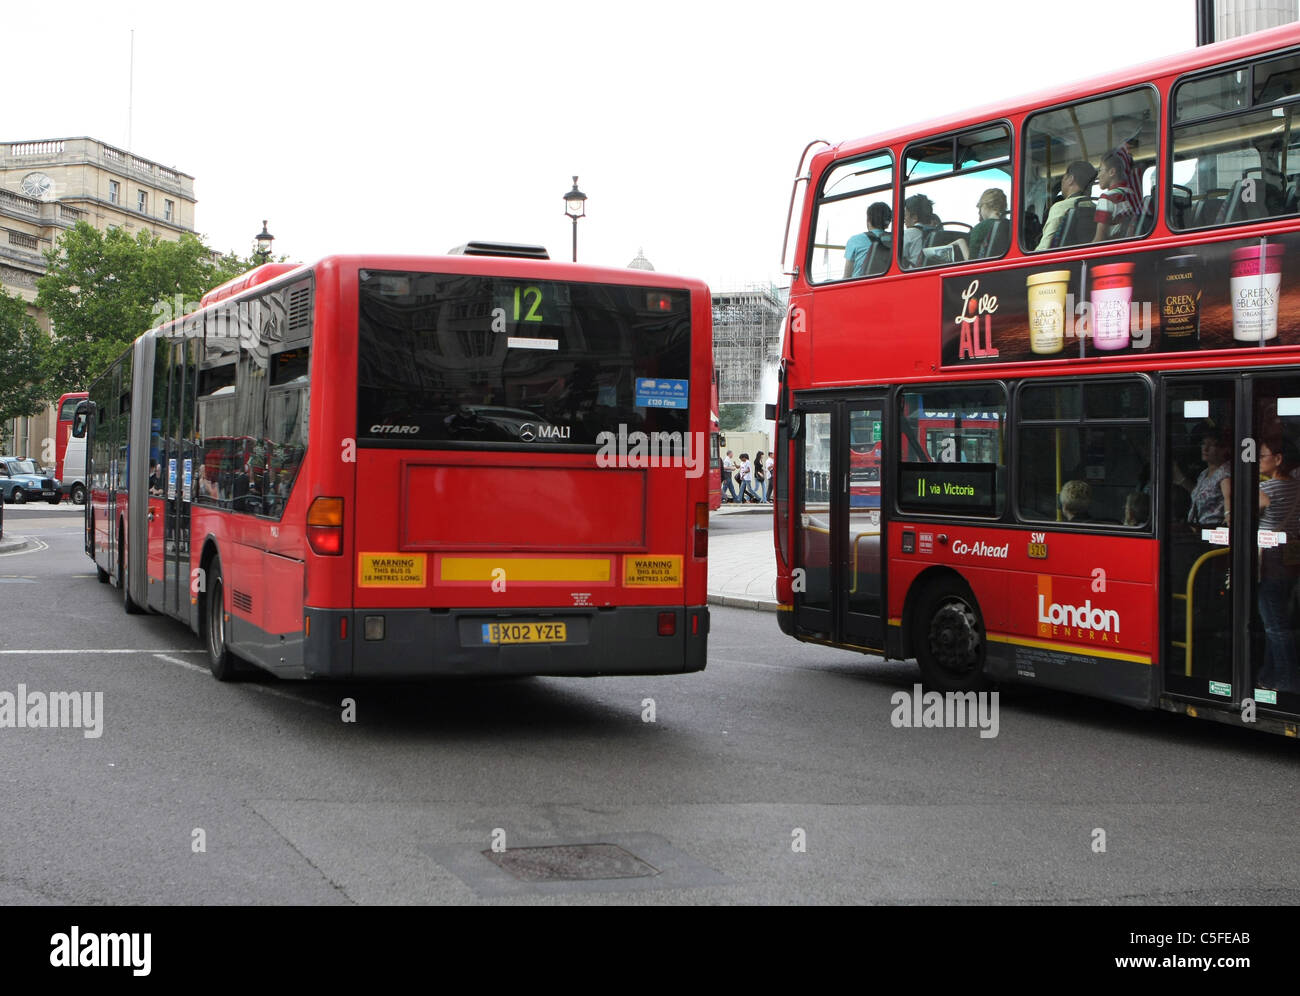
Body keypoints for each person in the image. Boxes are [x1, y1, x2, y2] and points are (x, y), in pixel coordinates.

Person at [1255, 437, 1300, 692]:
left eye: (1262, 455)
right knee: (1277, 619)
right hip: (1290, 558)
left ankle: (1286, 679)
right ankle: (1268, 675)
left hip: (1270, 560)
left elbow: (1241, 515)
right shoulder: (1296, 487)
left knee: (1274, 623)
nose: (1258, 460)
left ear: (1278, 459)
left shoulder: (1268, 490)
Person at [1173, 429, 1232, 527]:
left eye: (1211, 445)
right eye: (1203, 444)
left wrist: (1228, 516)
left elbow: (1228, 498)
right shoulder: (1204, 474)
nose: (1205, 449)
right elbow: (1200, 494)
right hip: (1198, 528)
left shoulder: (1225, 473)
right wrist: (1181, 480)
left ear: (1224, 449)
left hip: (1213, 530)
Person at [1035, 161, 1097, 250]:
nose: (1062, 183)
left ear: (1070, 179)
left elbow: (1044, 247)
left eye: (1064, 178)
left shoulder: (1060, 207)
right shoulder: (1096, 208)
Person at [1093, 150, 1138, 241]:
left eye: (1100, 170)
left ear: (1112, 172)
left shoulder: (1107, 198)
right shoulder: (1131, 194)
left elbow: (1099, 239)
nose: (1098, 176)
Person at [843, 201, 893, 278]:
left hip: (860, 286)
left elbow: (847, 276)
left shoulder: (855, 240)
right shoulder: (895, 240)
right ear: (888, 222)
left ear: (868, 220)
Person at [967, 188, 1009, 259]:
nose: (979, 212)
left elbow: (972, 261)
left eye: (980, 207)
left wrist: (961, 244)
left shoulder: (980, 228)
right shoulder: (1010, 225)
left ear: (985, 205)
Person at [900, 193, 934, 269]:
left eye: (905, 215)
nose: (904, 220)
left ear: (915, 218)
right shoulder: (936, 234)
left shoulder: (908, 234)